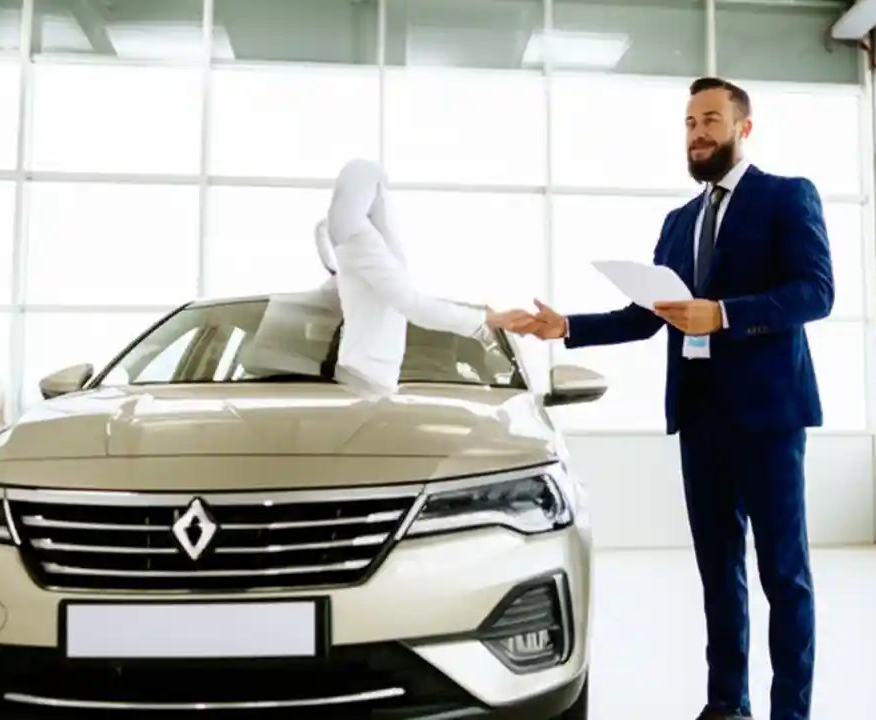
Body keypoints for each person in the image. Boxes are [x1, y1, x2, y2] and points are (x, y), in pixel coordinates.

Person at [514, 77, 833, 720]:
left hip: (769, 419)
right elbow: (646, 317)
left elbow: (814, 293)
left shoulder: (785, 197)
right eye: (689, 125)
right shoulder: (679, 222)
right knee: (718, 573)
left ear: (744, 127)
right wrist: (568, 327)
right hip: (700, 418)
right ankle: (725, 705)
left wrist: (723, 314)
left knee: (783, 577)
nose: (697, 134)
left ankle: (790, 712)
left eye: (710, 120)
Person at [323, 158, 531, 396]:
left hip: (366, 375)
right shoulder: (361, 241)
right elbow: (412, 305)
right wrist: (490, 320)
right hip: (367, 379)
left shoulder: (354, 241)